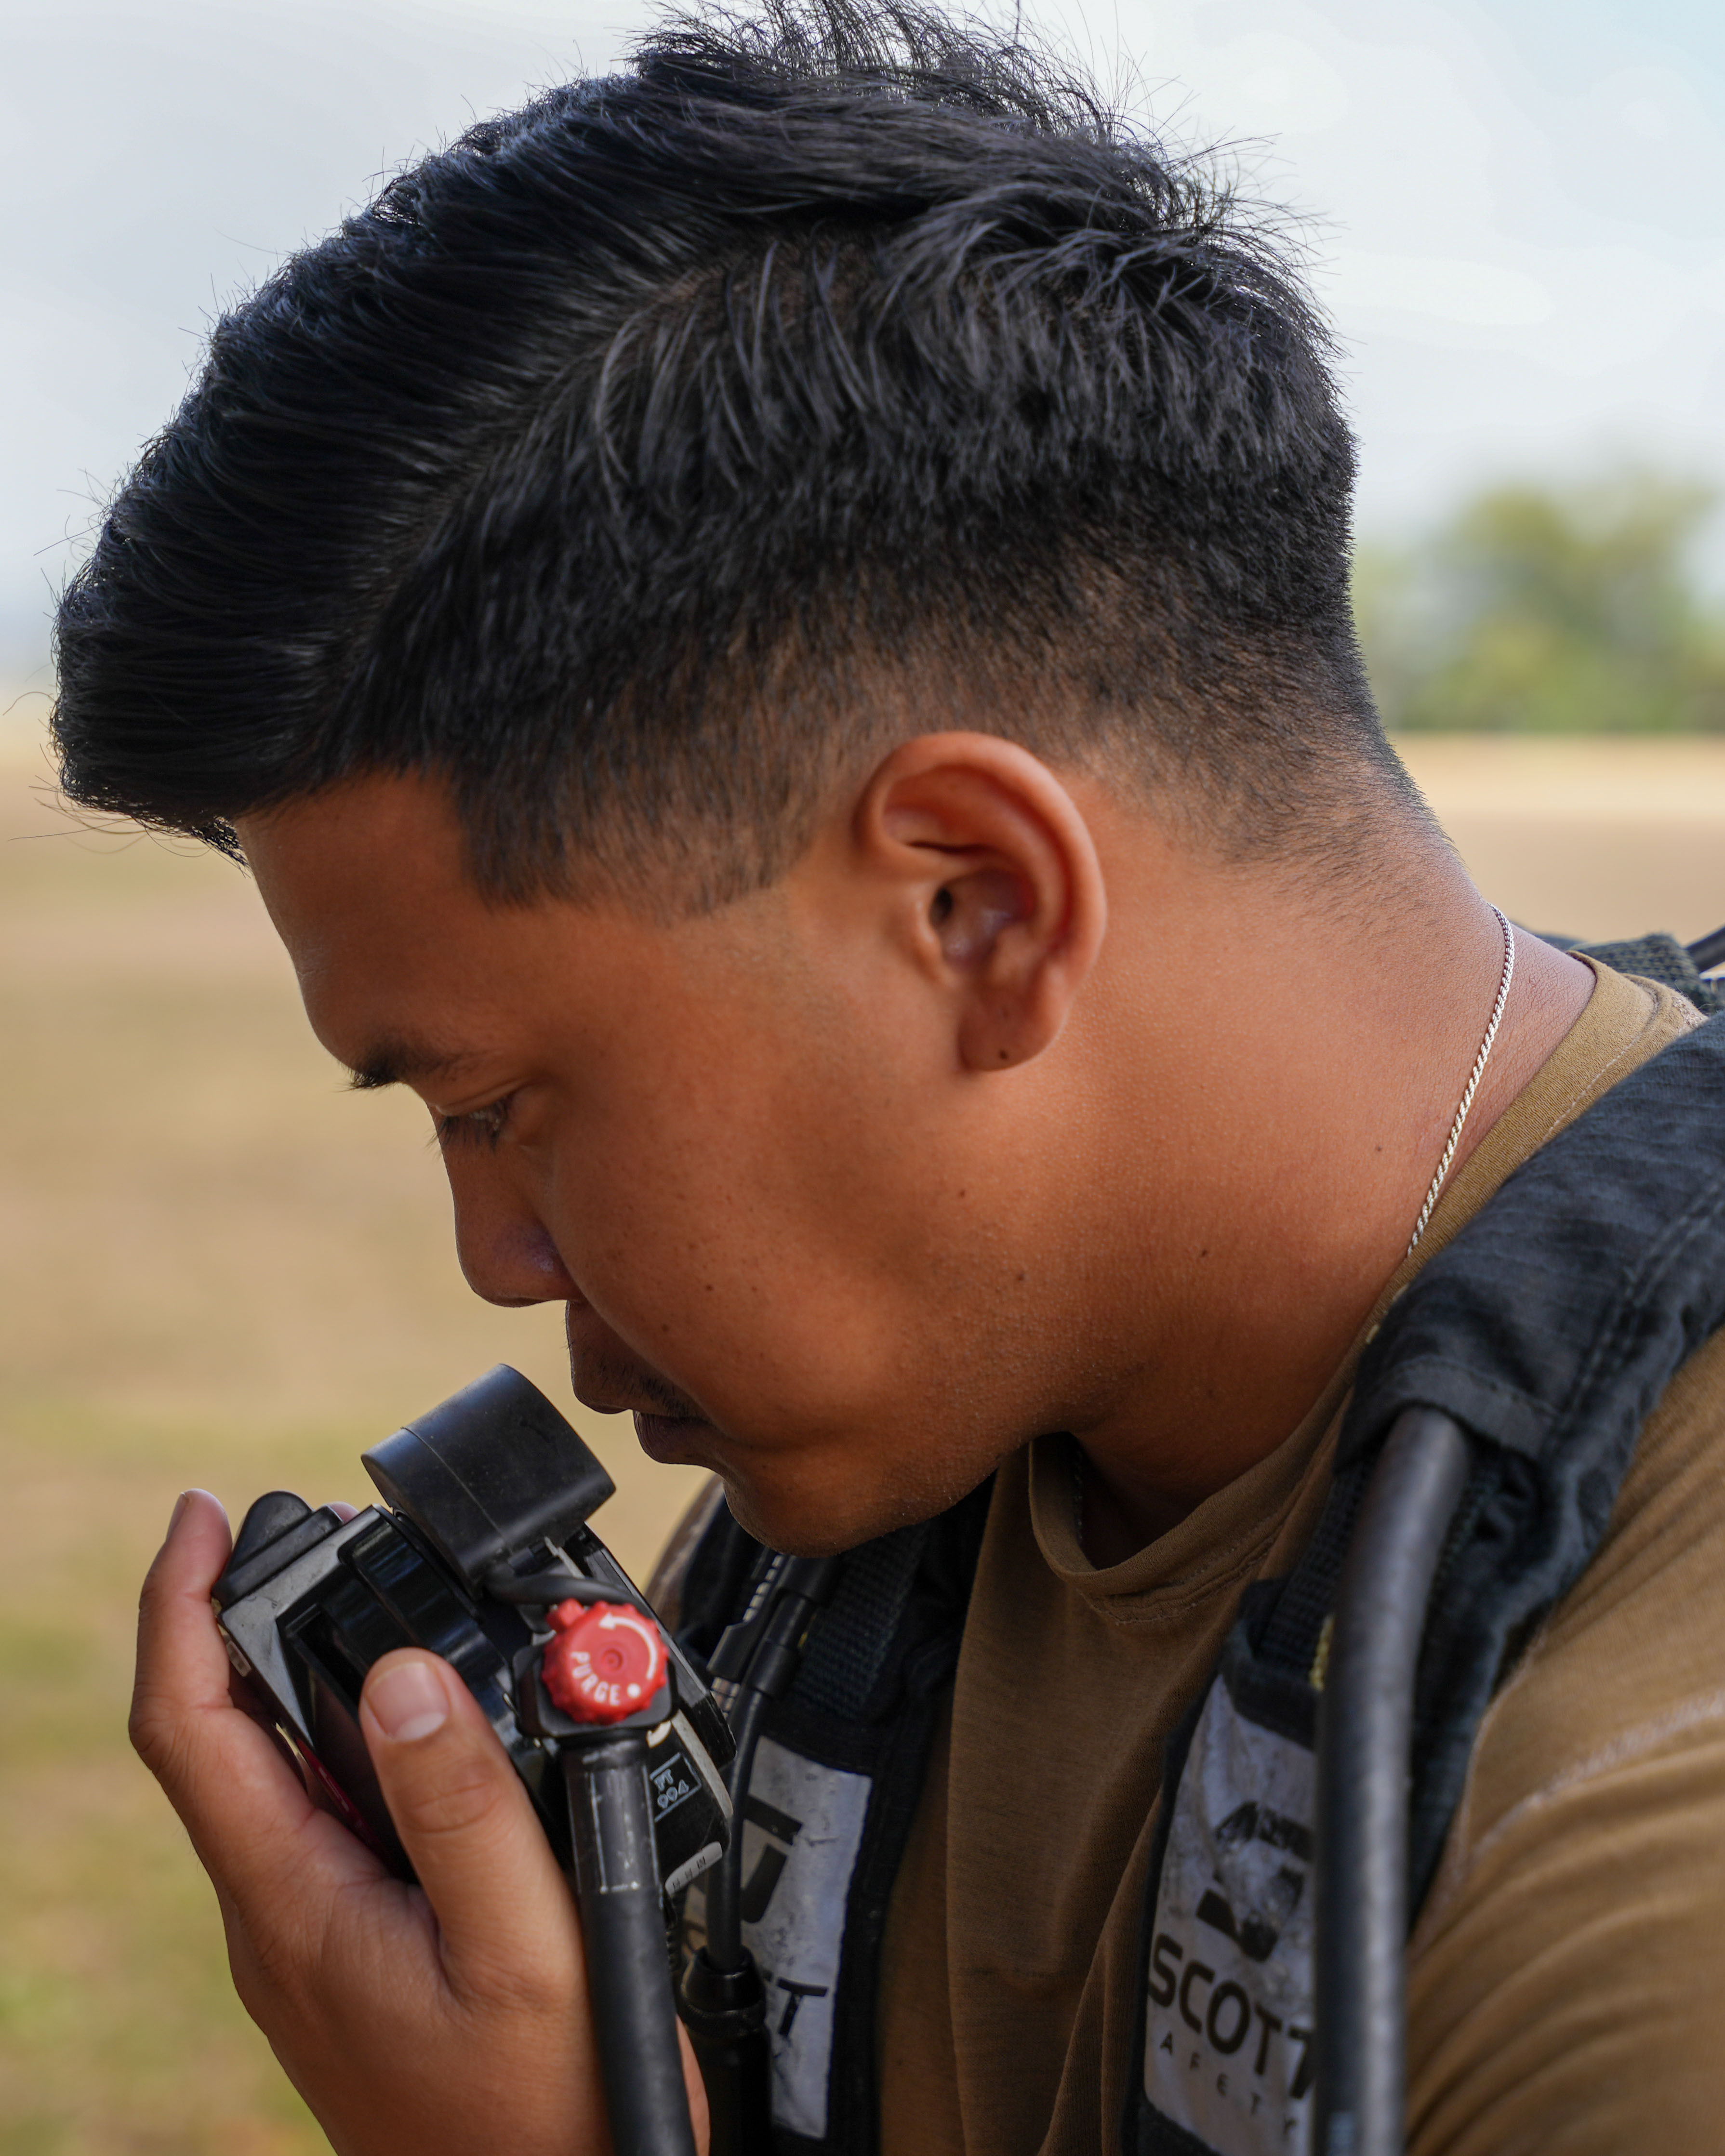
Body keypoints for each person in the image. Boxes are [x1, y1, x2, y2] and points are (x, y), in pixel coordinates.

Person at [51, 4, 1725, 2151]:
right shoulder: (942, 1417)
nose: (493, 1260)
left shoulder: (1639, 1906)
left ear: (976, 911)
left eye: (490, 1103)